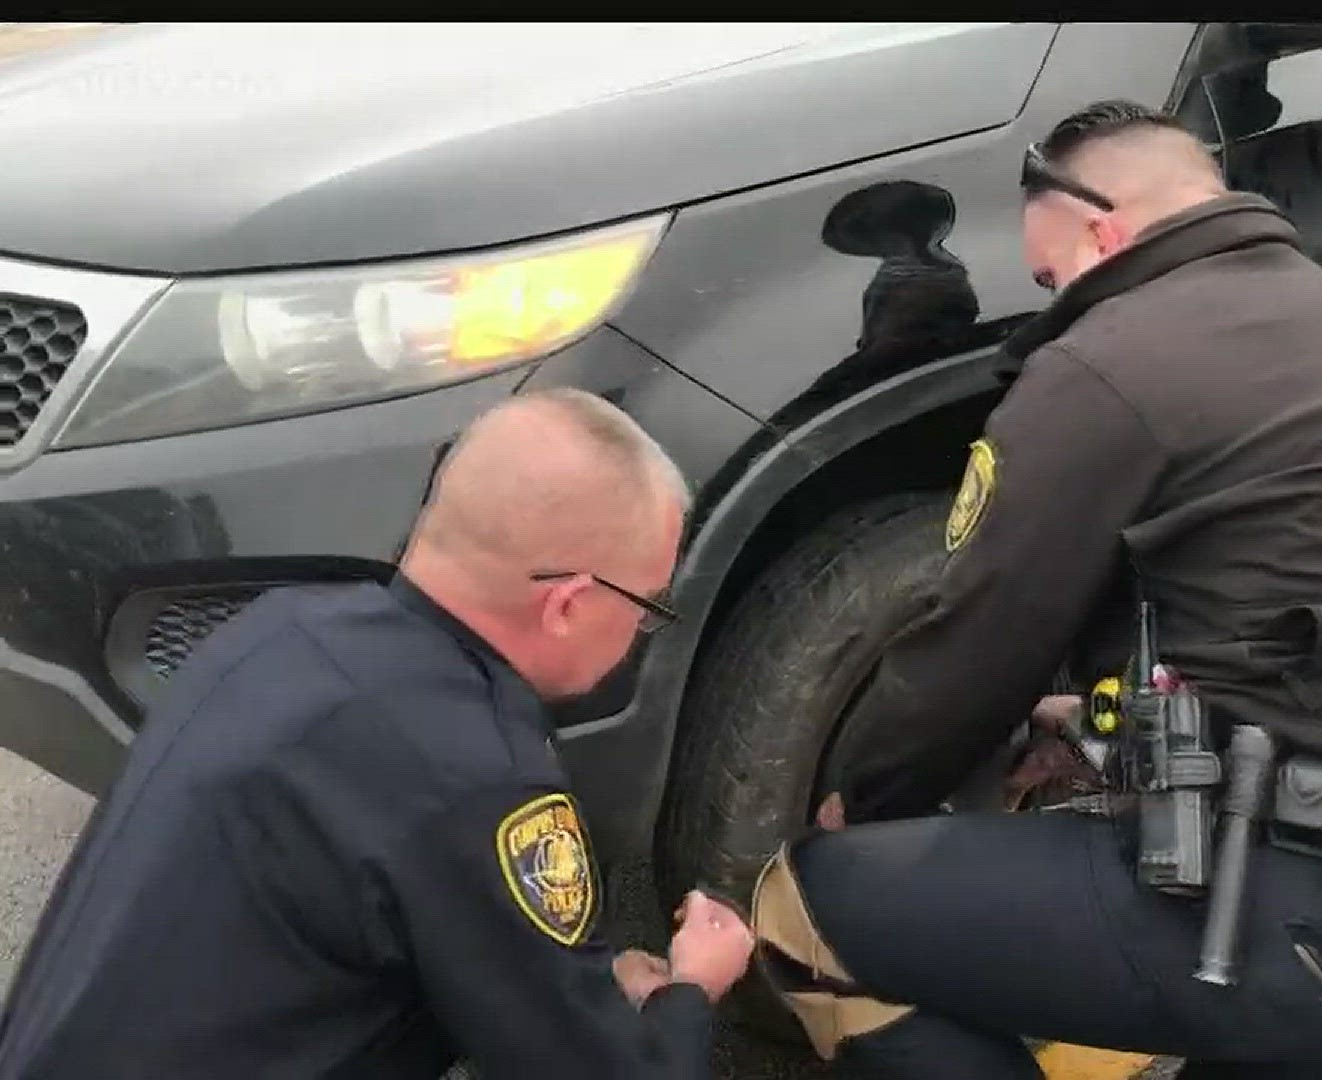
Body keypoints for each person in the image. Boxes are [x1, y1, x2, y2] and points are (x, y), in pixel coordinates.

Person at [752, 100, 1322, 1079]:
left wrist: (867, 804)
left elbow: (979, 639)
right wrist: (1106, 727)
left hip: (1300, 903)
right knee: (1302, 1036)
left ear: (1104, 231)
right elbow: (1282, 615)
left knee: (806, 908)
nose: (1053, 302)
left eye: (1051, 277)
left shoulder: (1108, 359)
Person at [0, 389, 755, 1078]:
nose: (641, 631)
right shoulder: (479, 782)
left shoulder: (281, 630)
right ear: (569, 606)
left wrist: (578, 989)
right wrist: (689, 989)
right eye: (646, 606)